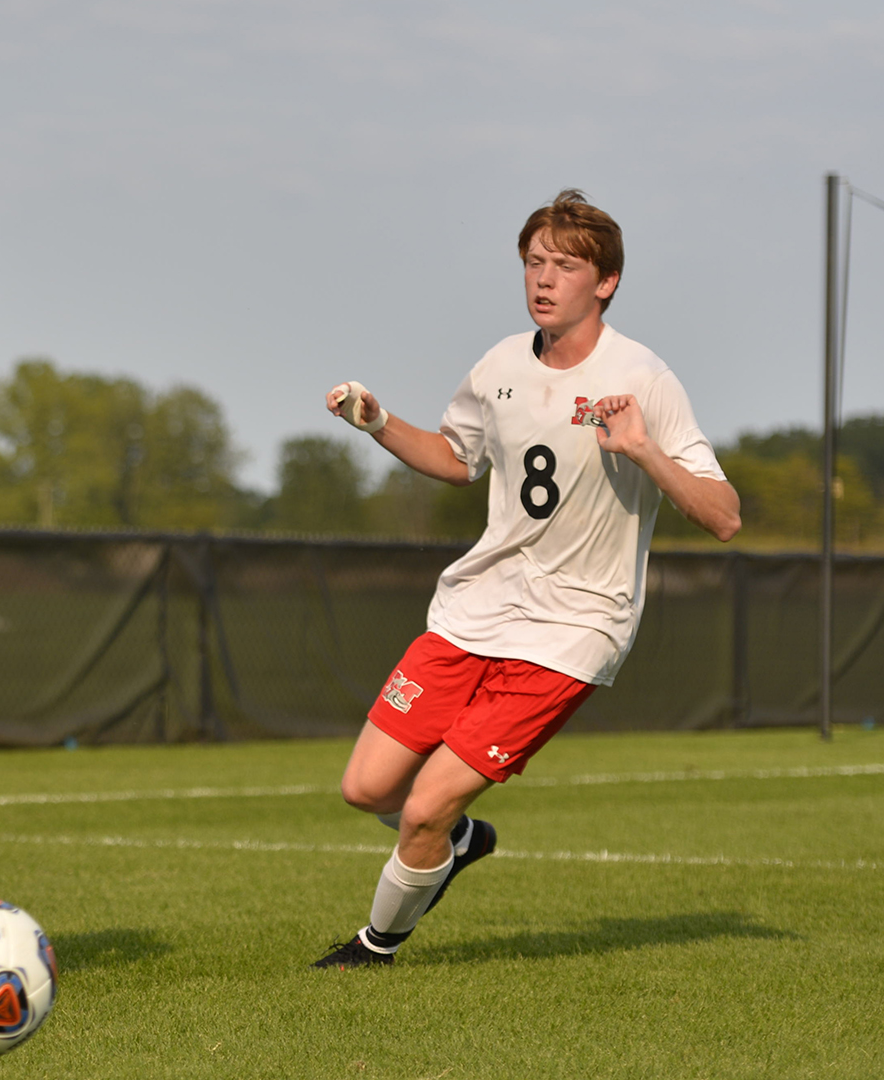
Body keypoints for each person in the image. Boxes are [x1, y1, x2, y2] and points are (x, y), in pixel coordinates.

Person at [311, 190, 740, 969]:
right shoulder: (501, 364)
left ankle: (373, 949)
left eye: (564, 265)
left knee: (425, 807)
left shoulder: (643, 377)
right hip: (475, 609)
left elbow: (725, 516)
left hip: (572, 629)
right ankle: (458, 844)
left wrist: (643, 449)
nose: (543, 279)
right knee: (368, 790)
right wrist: (378, 423)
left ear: (605, 282)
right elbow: (456, 458)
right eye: (534, 262)